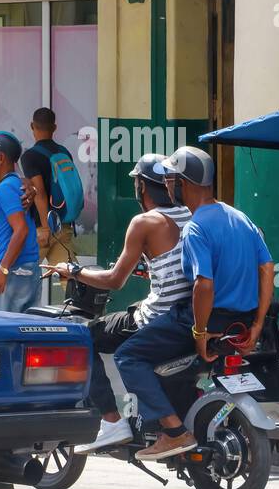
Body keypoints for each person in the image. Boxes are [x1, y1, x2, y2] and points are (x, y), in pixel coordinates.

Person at [113, 146, 275, 461]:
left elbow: (204, 285)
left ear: (182, 183)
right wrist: (256, 324)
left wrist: (200, 332)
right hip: (240, 321)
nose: (169, 185)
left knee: (128, 356)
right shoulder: (240, 217)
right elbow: (267, 268)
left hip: (205, 319)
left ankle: (173, 432)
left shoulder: (196, 227)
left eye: (172, 179)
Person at [43, 153, 192, 454]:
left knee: (84, 338)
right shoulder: (188, 214)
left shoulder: (144, 222)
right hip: (183, 312)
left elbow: (114, 281)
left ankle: (112, 422)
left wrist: (73, 271)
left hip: (158, 315)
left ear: (142, 187)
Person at [0, 131, 42, 313]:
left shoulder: (7, 187)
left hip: (13, 271)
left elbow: (21, 230)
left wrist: (3, 270)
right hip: (25, 270)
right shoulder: (15, 183)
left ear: (0, 158)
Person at [21, 107, 81, 264]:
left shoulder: (30, 156)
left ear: (31, 126)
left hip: (43, 229)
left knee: (23, 276)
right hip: (64, 226)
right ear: (54, 127)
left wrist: (46, 228)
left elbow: (39, 192)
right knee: (70, 278)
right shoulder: (64, 152)